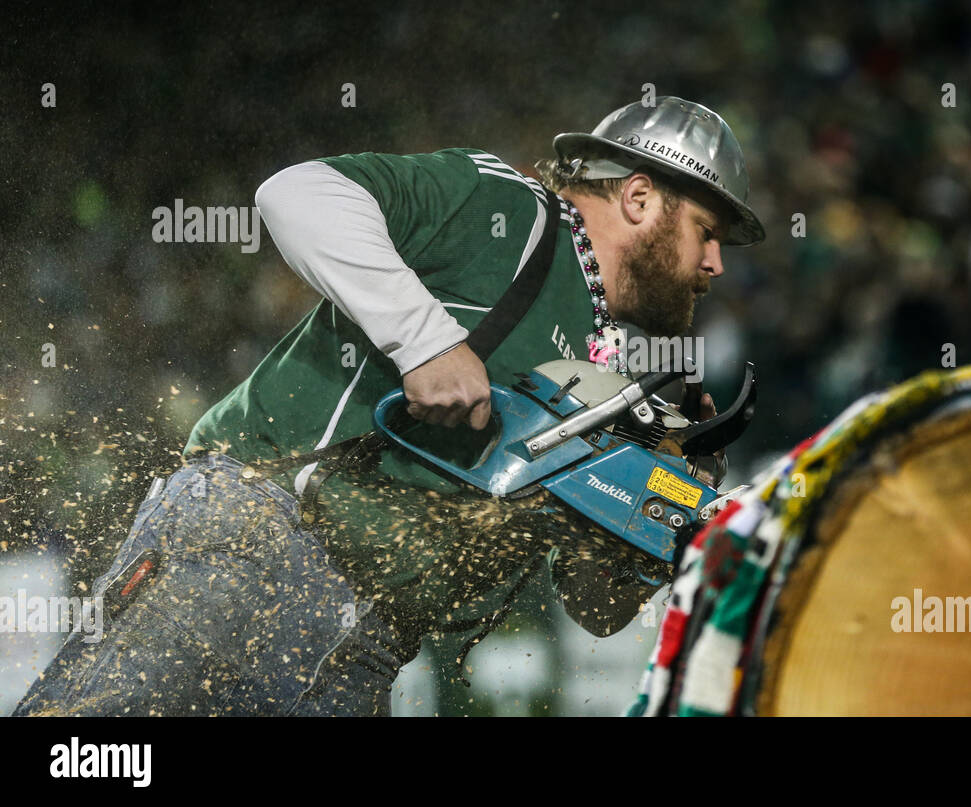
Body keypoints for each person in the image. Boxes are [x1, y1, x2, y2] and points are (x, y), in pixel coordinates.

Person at [13, 96, 765, 716]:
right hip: (253, 550)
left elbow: (595, 607)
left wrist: (672, 514)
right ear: (638, 197)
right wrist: (425, 339)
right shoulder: (507, 209)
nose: (715, 264)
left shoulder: (619, 371)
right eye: (707, 232)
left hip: (366, 651)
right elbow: (297, 192)